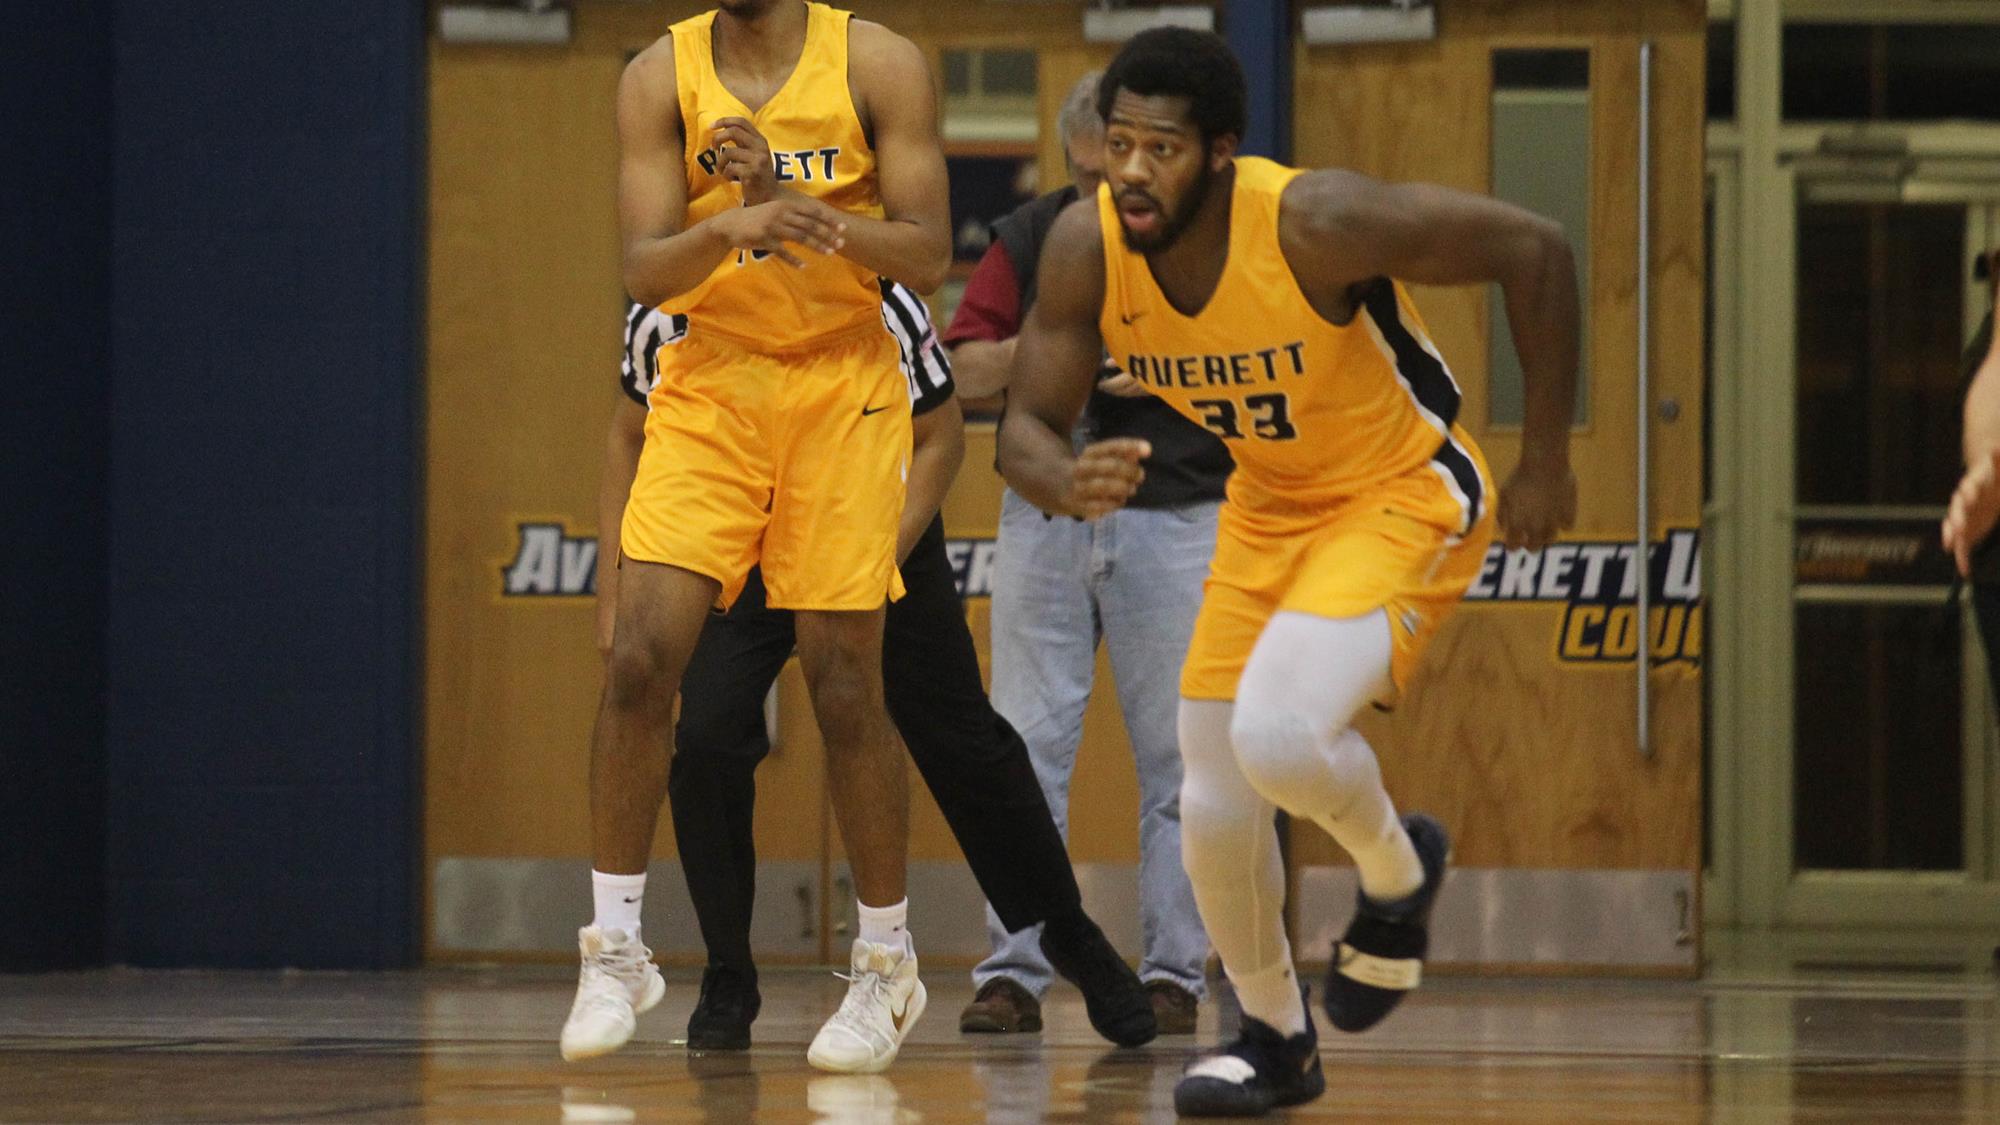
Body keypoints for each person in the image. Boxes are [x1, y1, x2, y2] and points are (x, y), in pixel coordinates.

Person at [996, 29, 1580, 1118]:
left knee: (1272, 735)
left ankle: (1396, 873)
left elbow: (1536, 249)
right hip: (1267, 509)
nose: (1129, 171)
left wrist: (1543, 458)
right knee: (1210, 790)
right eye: (1117, 144)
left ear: (1218, 152)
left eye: (1159, 150)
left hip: (1401, 492)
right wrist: (1064, 476)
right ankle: (1274, 1035)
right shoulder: (1086, 247)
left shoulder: (1312, 221)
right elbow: (1022, 422)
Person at [597, 288, 1157, 1054]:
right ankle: (729, 969)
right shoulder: (671, 301)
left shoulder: (875, 294)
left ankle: (1066, 927)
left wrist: (864, 562)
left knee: (960, 736)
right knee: (707, 739)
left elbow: (943, 438)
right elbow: (631, 432)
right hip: (733, 535)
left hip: (870, 524)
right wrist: (616, 587)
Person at [564, 0, 951, 1075]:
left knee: (841, 676)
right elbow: (646, 273)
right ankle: (615, 947)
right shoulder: (657, 74)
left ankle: (884, 964)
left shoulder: (876, 61)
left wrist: (794, 200)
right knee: (642, 657)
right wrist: (730, 223)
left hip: (841, 380)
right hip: (714, 382)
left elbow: (924, 252)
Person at [946, 72, 1227, 1038]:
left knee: (1184, 758)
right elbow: (951, 365)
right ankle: (1012, 971)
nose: (1110, 193)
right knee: (1019, 750)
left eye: (1133, 164)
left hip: (1182, 509)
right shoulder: (1035, 238)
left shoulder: (1214, 243)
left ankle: (1176, 974)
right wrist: (1054, 348)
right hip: (1045, 513)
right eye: (1090, 172)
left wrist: (1161, 365)